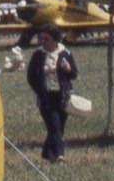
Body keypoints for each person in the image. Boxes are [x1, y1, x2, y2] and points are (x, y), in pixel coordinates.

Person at [26, 28, 77, 162]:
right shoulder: (37, 55)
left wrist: (68, 69)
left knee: (58, 127)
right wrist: (39, 91)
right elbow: (30, 77)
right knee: (54, 126)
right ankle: (60, 154)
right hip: (46, 98)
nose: (43, 42)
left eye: (46, 39)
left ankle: (48, 155)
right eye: (41, 38)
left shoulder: (65, 53)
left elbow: (74, 74)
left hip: (62, 96)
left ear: (55, 40)